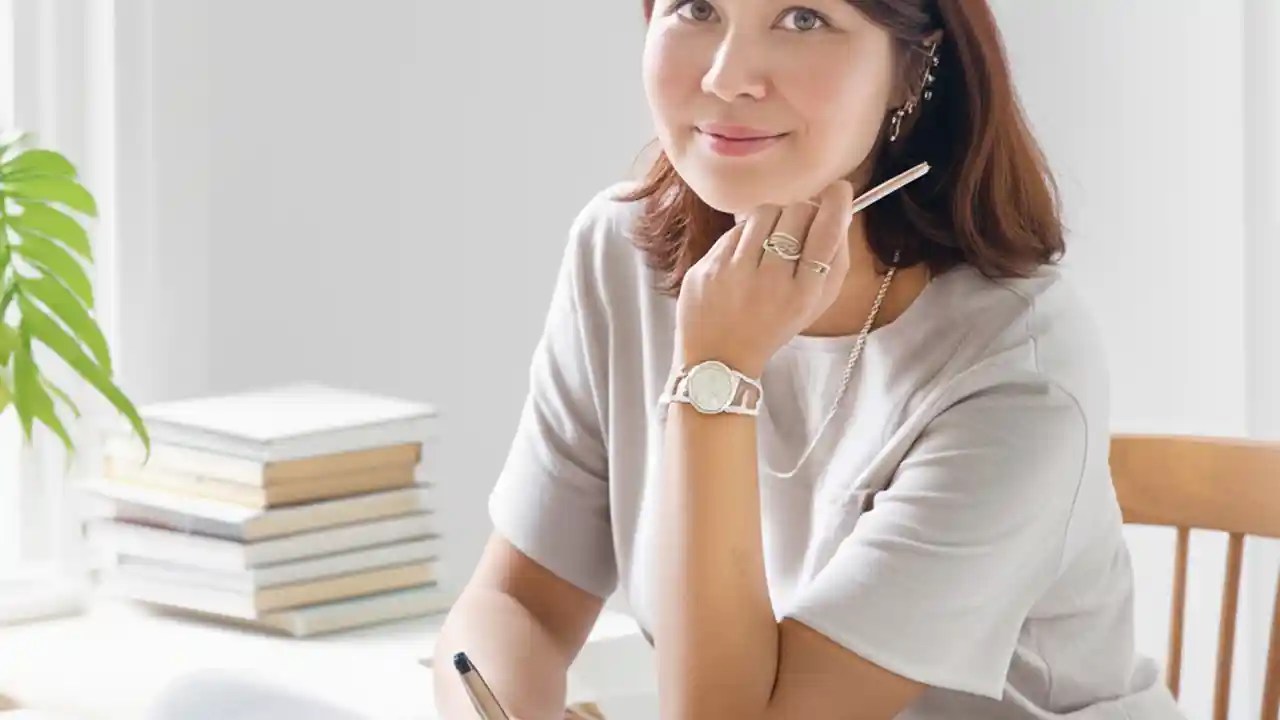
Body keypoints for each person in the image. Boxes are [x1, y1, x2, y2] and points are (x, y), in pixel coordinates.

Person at [434, 1, 1186, 718]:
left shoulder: (1018, 369)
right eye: (697, 8)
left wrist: (716, 374)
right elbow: (519, 601)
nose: (727, 75)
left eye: (803, 19)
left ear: (911, 69)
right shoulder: (619, 253)